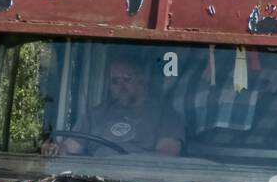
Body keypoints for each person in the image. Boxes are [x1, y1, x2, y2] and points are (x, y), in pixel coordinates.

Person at [42, 52, 183, 157]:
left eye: (127, 79)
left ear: (142, 79)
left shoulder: (166, 115)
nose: (120, 86)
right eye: (115, 81)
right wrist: (55, 150)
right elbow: (69, 147)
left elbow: (167, 154)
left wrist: (124, 164)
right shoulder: (95, 115)